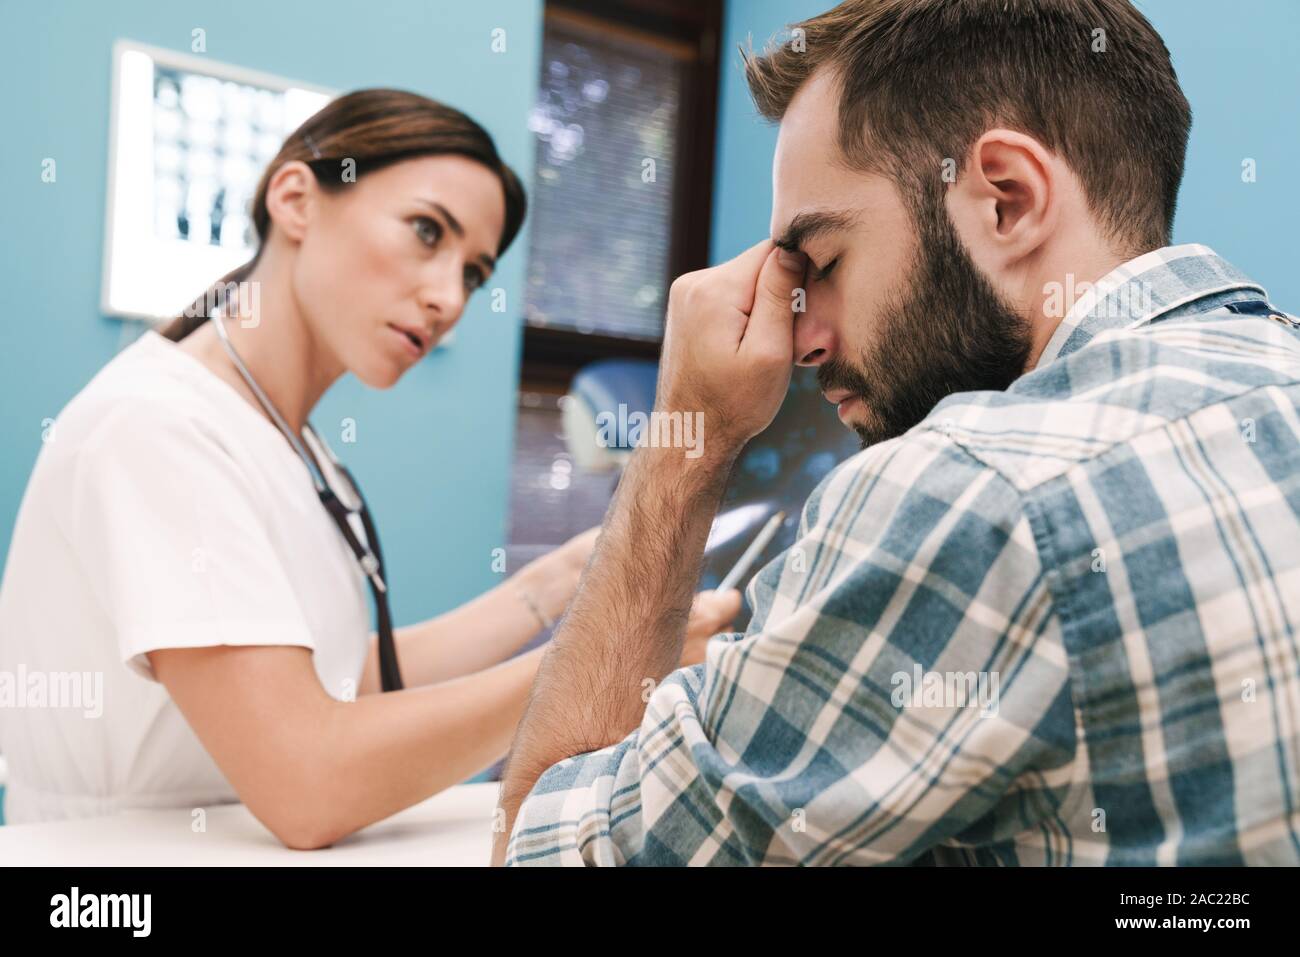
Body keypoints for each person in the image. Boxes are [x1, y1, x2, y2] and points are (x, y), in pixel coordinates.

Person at [494, 0, 1300, 866]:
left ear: (1006, 200)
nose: (800, 339)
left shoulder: (967, 491)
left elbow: (541, 851)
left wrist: (686, 439)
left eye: (825, 261)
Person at [0, 88, 739, 845]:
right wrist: (610, 655)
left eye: (475, 274)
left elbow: (336, 683)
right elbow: (306, 778)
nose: (449, 297)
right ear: (295, 199)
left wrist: (548, 589)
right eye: (426, 231)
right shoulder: (158, 427)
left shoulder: (287, 440)